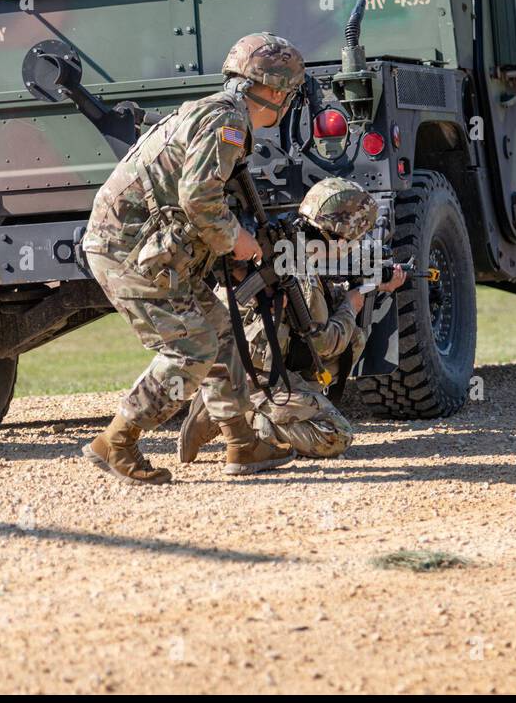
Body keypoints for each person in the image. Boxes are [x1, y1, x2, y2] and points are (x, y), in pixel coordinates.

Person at [81, 32, 306, 484]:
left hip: (144, 249)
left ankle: (242, 441)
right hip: (128, 252)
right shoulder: (227, 122)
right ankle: (117, 442)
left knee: (220, 332)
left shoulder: (212, 112)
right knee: (191, 348)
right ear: (277, 92)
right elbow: (199, 197)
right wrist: (234, 240)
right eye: (288, 96)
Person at [177, 177, 406, 462]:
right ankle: (234, 415)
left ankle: (230, 401)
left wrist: (372, 285)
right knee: (335, 435)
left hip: (231, 357)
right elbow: (325, 344)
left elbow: (309, 313)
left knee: (351, 340)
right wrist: (351, 304)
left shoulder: (290, 246)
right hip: (250, 370)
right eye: (354, 239)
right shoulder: (301, 272)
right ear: (340, 235)